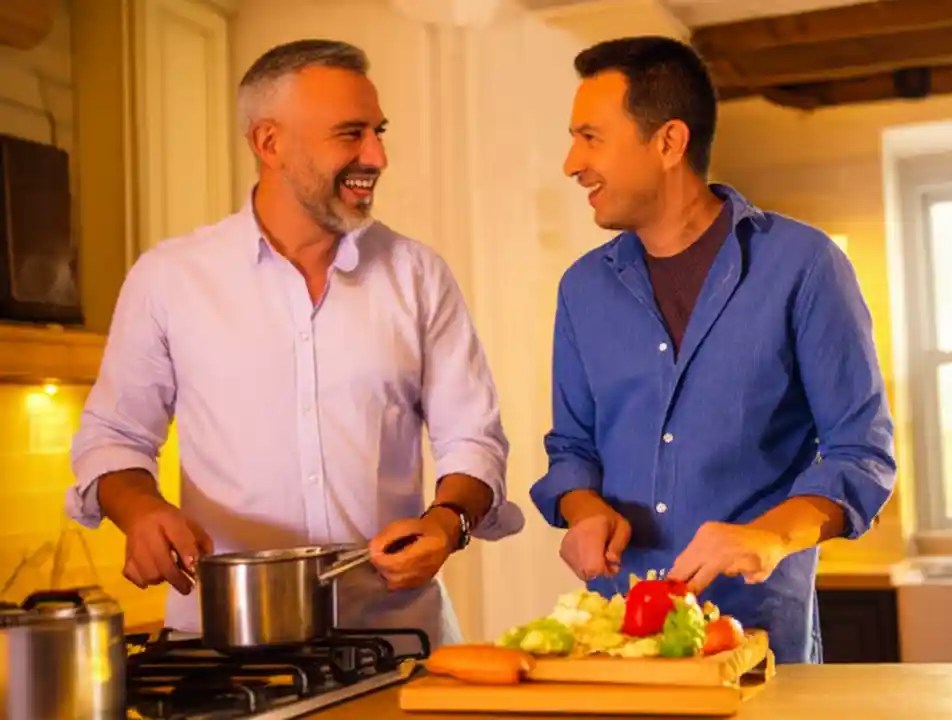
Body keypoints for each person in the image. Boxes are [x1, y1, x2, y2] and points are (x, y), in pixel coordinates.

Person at [65, 39, 522, 649]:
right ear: (269, 143)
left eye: (378, 131)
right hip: (224, 647)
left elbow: (473, 438)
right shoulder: (170, 278)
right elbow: (114, 438)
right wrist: (140, 510)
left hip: (395, 644)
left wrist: (448, 522)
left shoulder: (417, 275)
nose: (377, 155)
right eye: (351, 134)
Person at [529, 36, 896, 664]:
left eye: (590, 137)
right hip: (620, 643)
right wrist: (582, 508)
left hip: (759, 645)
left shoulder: (805, 266)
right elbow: (573, 448)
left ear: (669, 142)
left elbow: (860, 455)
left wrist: (769, 536)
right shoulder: (582, 289)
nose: (570, 163)